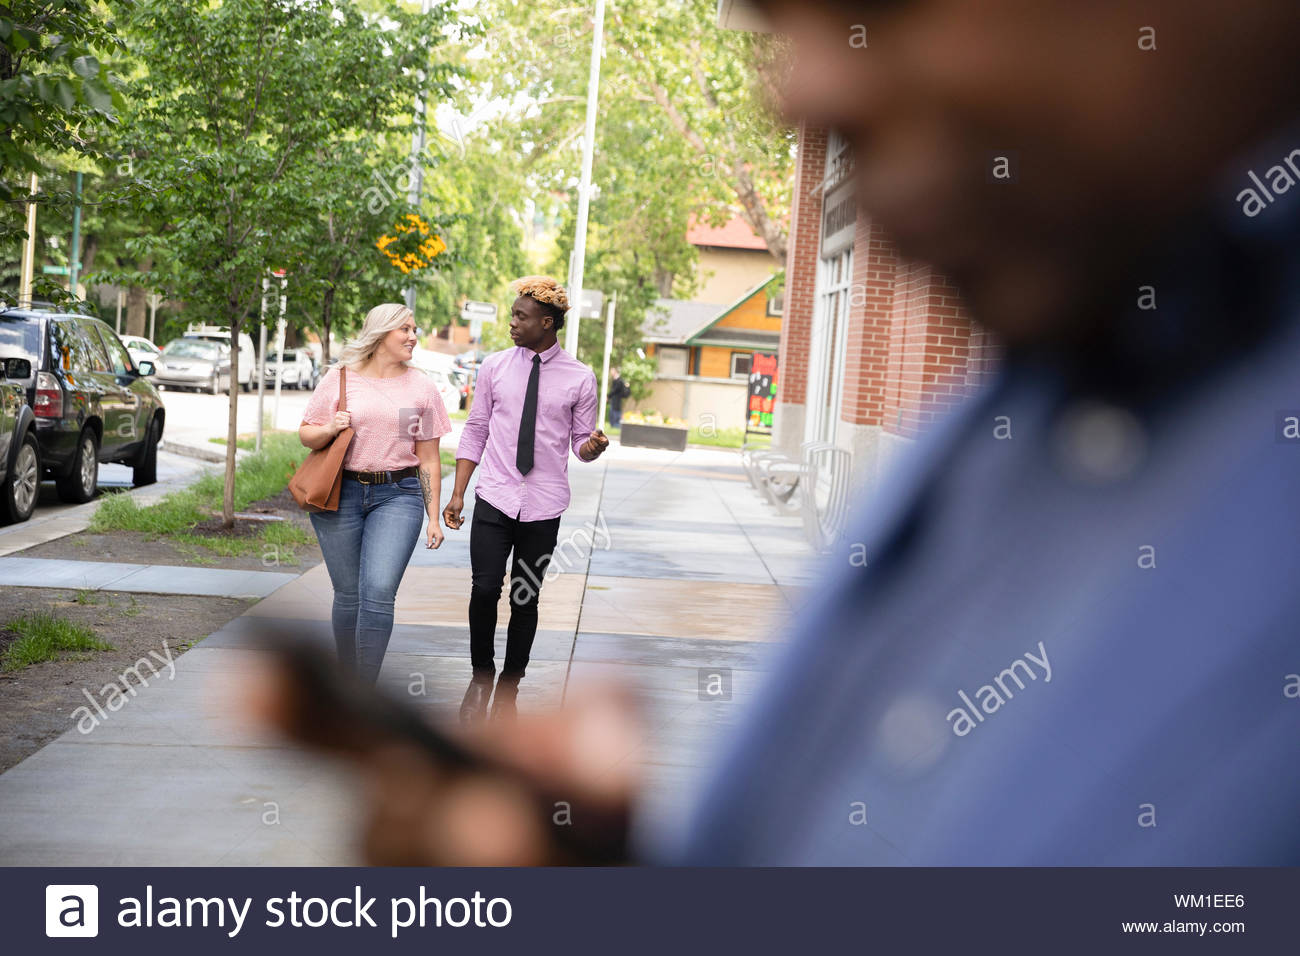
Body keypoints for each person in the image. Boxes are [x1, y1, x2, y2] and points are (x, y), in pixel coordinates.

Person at [262, 0, 1300, 864]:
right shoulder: (999, 419)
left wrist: (580, 450)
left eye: (874, 9)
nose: (801, 89)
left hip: (544, 501)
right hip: (492, 499)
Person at [442, 276, 609, 723]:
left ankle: (509, 689)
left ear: (547, 323)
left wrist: (591, 448)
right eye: (513, 314)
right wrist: (457, 492)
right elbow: (475, 429)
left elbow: (580, 443)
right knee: (483, 590)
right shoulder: (495, 367)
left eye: (521, 316)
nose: (512, 323)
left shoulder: (580, 378)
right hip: (495, 494)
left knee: (524, 598)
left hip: (544, 504)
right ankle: (481, 677)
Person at [298, 303, 451, 685]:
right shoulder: (341, 378)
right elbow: (307, 433)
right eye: (405, 329)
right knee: (348, 595)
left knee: (379, 591)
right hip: (341, 493)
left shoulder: (421, 388)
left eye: (415, 328)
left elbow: (429, 459)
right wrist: (331, 427)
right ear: (381, 334)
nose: (414, 336)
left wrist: (433, 516)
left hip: (399, 495)